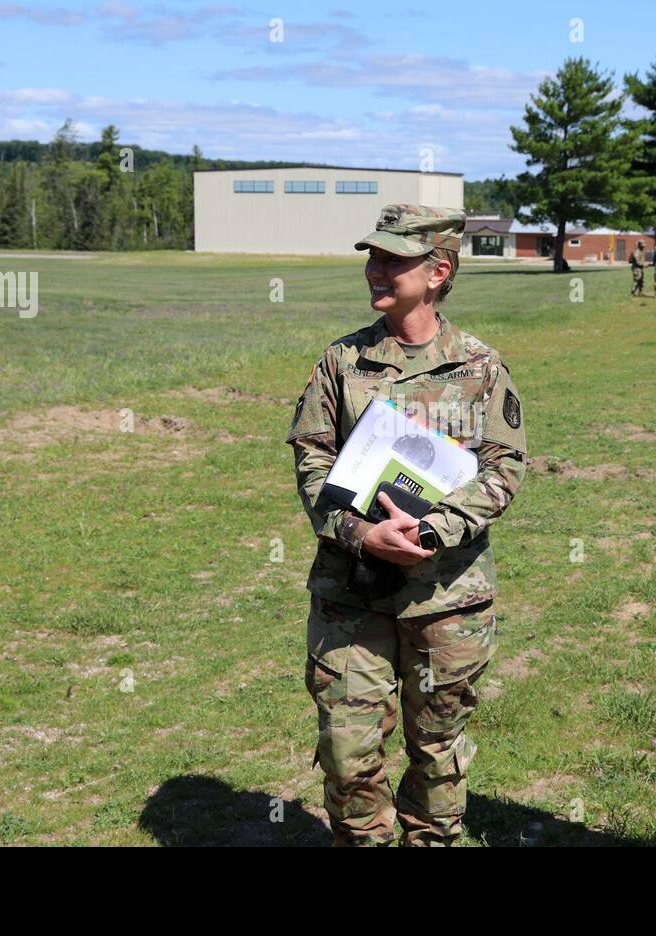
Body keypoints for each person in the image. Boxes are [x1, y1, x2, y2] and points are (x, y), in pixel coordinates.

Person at [287, 203, 526, 846]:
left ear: (439, 269)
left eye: (393, 258)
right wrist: (359, 533)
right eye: (373, 256)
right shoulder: (341, 362)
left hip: (445, 596)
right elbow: (311, 458)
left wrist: (431, 532)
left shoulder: (480, 366)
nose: (375, 269)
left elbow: (504, 469)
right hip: (350, 589)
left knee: (437, 748)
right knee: (347, 748)